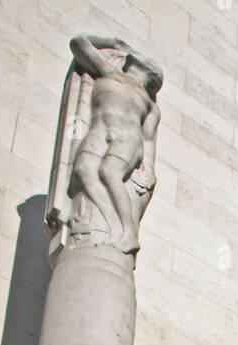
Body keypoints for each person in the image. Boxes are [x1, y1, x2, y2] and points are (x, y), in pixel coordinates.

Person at [68, 34, 163, 254]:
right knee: (83, 170)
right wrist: (112, 42)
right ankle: (114, 226)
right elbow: (79, 43)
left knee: (109, 171)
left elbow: (148, 139)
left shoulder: (150, 104)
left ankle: (129, 232)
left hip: (127, 136)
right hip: (100, 128)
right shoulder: (109, 72)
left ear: (149, 74)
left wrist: (148, 169)